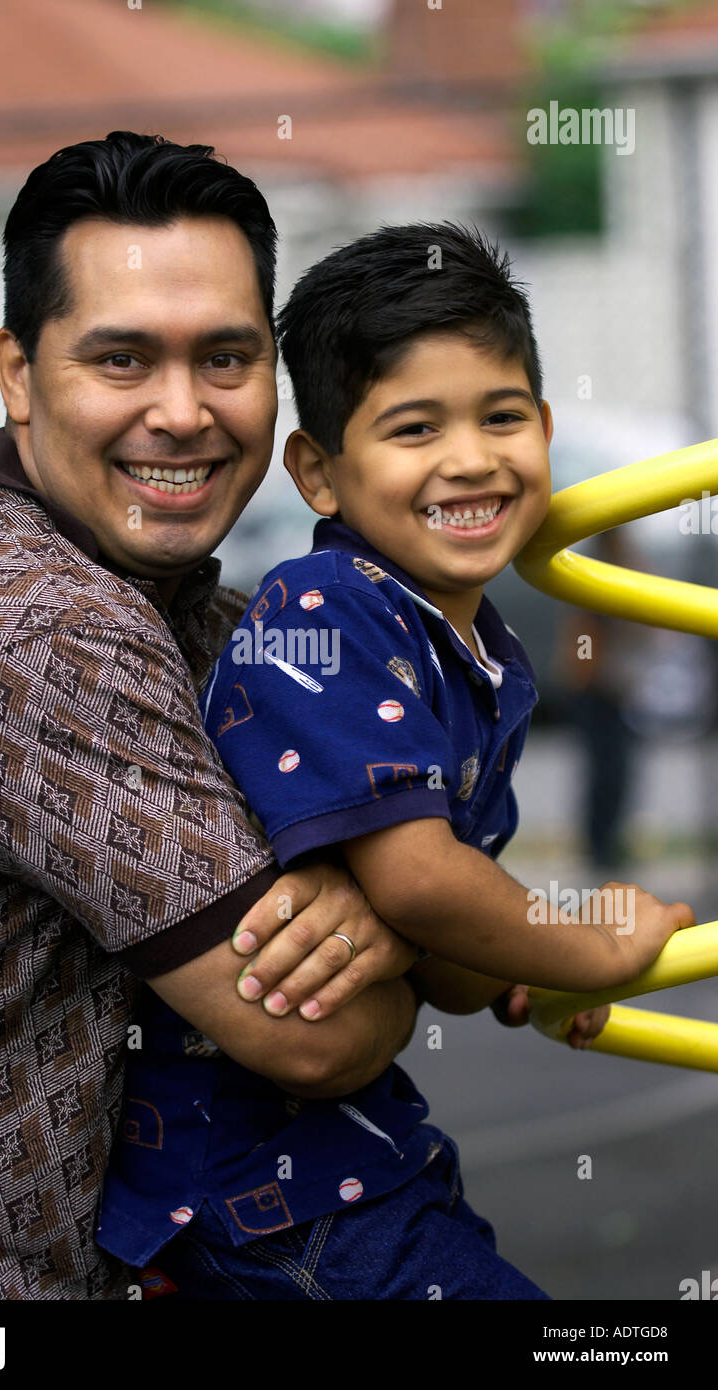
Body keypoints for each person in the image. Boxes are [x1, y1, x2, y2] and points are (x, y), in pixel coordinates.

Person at [0, 131, 424, 1299]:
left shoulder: (195, 613)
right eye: (121, 360)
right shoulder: (35, 627)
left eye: (225, 356)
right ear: (18, 374)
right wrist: (422, 906)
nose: (183, 413)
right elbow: (321, 1036)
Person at [97, 222, 695, 1300]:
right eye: (414, 428)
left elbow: (445, 961)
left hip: (362, 1163)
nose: (469, 457)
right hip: (262, 1195)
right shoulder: (329, 609)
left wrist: (524, 955)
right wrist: (589, 942)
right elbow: (416, 878)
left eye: (502, 416)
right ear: (319, 471)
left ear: (547, 430)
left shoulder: (477, 656)